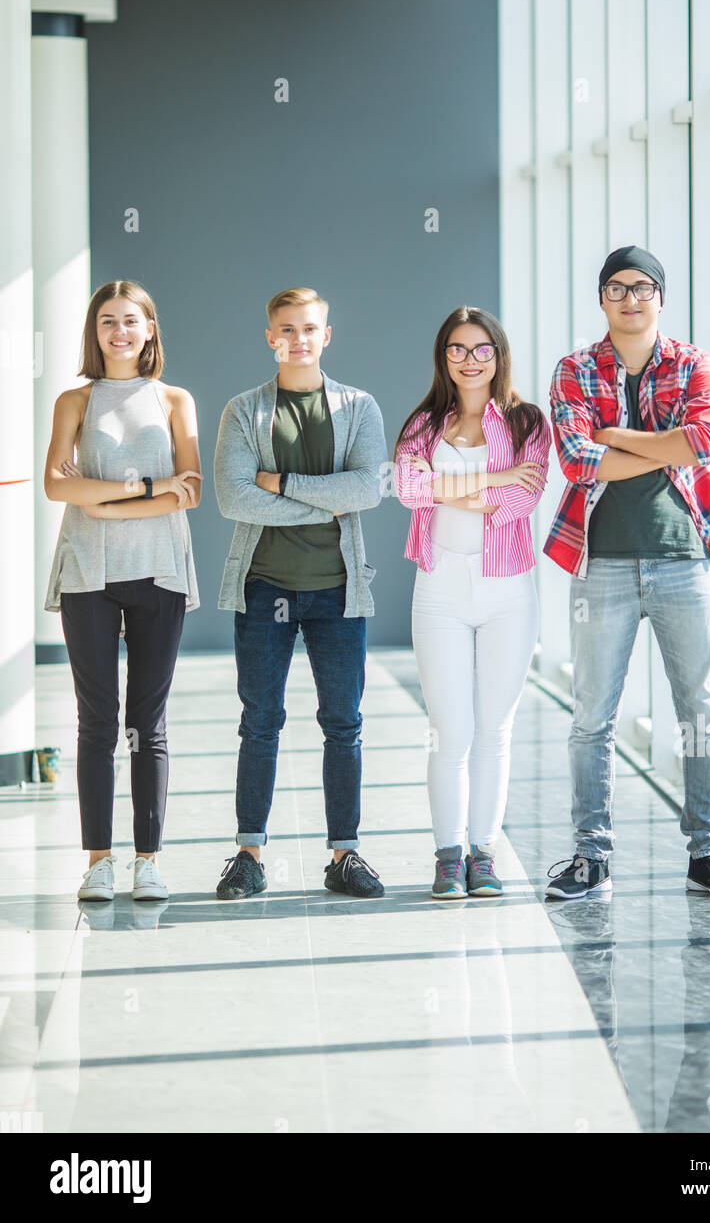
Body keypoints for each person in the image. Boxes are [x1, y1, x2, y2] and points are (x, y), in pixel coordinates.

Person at [543, 245, 710, 900]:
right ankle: (590, 857)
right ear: (602, 298)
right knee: (591, 718)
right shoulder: (575, 368)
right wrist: (663, 446)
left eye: (642, 287)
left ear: (660, 296)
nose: (630, 298)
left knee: (702, 712)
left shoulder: (694, 363)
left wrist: (615, 435)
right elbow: (577, 462)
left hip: (684, 558)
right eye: (617, 288)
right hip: (600, 562)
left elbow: (705, 442)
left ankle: (707, 854)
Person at [213, 286, 387, 900]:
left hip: (338, 590)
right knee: (260, 722)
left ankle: (344, 855)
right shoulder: (244, 411)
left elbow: (368, 488)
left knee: (344, 723)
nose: (298, 339)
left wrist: (281, 482)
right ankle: (248, 856)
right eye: (286, 329)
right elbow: (233, 498)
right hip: (265, 589)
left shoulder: (359, 407)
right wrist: (323, 499)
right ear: (270, 337)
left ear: (326, 335)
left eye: (309, 328)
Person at [43, 280, 202, 902]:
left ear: (149, 328)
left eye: (131, 320)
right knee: (96, 720)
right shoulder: (75, 401)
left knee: (148, 722)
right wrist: (145, 491)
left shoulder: (174, 400)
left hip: (159, 569)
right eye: (107, 321)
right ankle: (99, 862)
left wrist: (104, 503)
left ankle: (148, 861)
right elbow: (57, 485)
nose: (119, 332)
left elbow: (190, 489)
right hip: (89, 572)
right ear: (95, 331)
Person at [394, 307, 551, 899]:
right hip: (438, 591)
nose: (470, 360)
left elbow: (519, 503)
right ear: (444, 356)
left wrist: (446, 488)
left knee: (494, 728)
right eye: (457, 349)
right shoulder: (423, 423)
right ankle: (448, 856)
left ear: (498, 354)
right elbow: (408, 491)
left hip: (507, 591)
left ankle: (483, 853)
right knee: (449, 730)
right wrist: (496, 477)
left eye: (482, 349)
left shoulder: (527, 422)